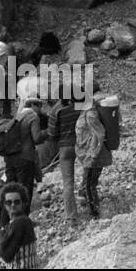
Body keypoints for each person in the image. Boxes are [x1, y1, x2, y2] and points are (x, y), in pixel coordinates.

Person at [75, 94, 118, 218]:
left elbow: (99, 134)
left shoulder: (90, 114)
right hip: (92, 154)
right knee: (90, 183)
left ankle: (94, 212)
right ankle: (93, 209)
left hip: (93, 155)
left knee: (89, 184)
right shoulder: (89, 112)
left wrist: (93, 154)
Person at [48, 91, 82, 223]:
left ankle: (71, 217)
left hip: (65, 147)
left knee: (68, 183)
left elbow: (52, 135)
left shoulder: (55, 110)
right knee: (88, 172)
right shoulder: (79, 105)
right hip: (82, 144)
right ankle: (89, 202)